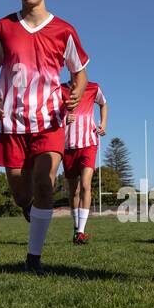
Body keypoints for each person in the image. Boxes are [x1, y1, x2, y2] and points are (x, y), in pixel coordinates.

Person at [0, 0, 88, 273]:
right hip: (12, 123)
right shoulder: (4, 27)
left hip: (49, 121)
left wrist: (77, 93)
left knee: (45, 182)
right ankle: (29, 208)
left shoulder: (64, 30)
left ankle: (33, 258)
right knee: (19, 192)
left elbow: (79, 73)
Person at [62, 79, 106, 244]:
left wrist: (103, 123)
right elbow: (51, 112)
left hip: (89, 143)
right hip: (67, 146)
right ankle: (76, 228)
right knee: (73, 191)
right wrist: (64, 119)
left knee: (86, 185)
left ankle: (81, 231)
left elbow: (104, 104)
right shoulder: (60, 89)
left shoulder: (94, 87)